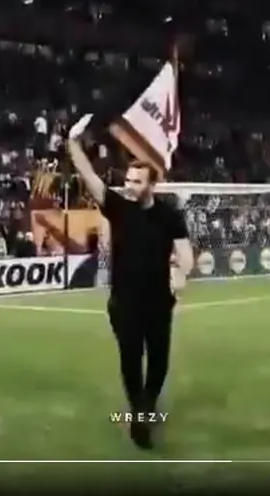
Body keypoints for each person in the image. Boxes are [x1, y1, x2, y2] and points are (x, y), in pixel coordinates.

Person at [65, 117, 194, 450]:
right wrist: (72, 143)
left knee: (159, 361)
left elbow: (185, 255)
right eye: (128, 180)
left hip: (159, 302)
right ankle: (140, 413)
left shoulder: (170, 215)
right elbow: (89, 177)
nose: (130, 185)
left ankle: (146, 406)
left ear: (152, 184)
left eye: (137, 181)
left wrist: (180, 274)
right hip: (124, 302)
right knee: (131, 359)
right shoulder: (118, 208)